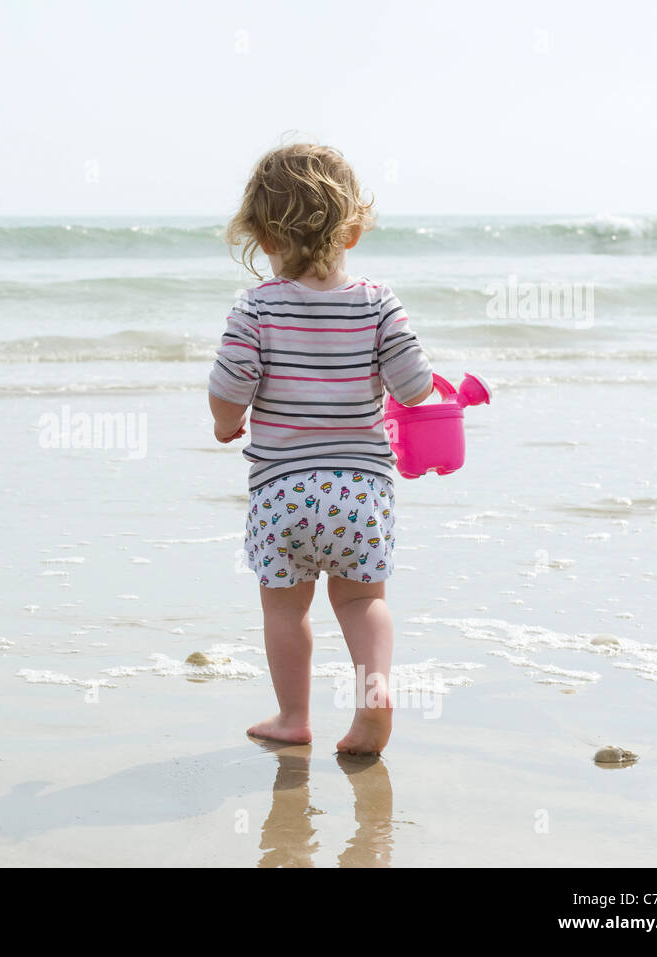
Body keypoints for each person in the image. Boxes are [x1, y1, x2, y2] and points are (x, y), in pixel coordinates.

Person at [208, 142, 434, 753]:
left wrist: (226, 423)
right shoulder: (378, 302)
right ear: (353, 230)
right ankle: (375, 691)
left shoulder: (255, 308)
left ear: (262, 235)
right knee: (361, 600)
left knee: (285, 610)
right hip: (361, 492)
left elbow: (229, 392)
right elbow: (415, 389)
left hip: (281, 493)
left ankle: (292, 718)